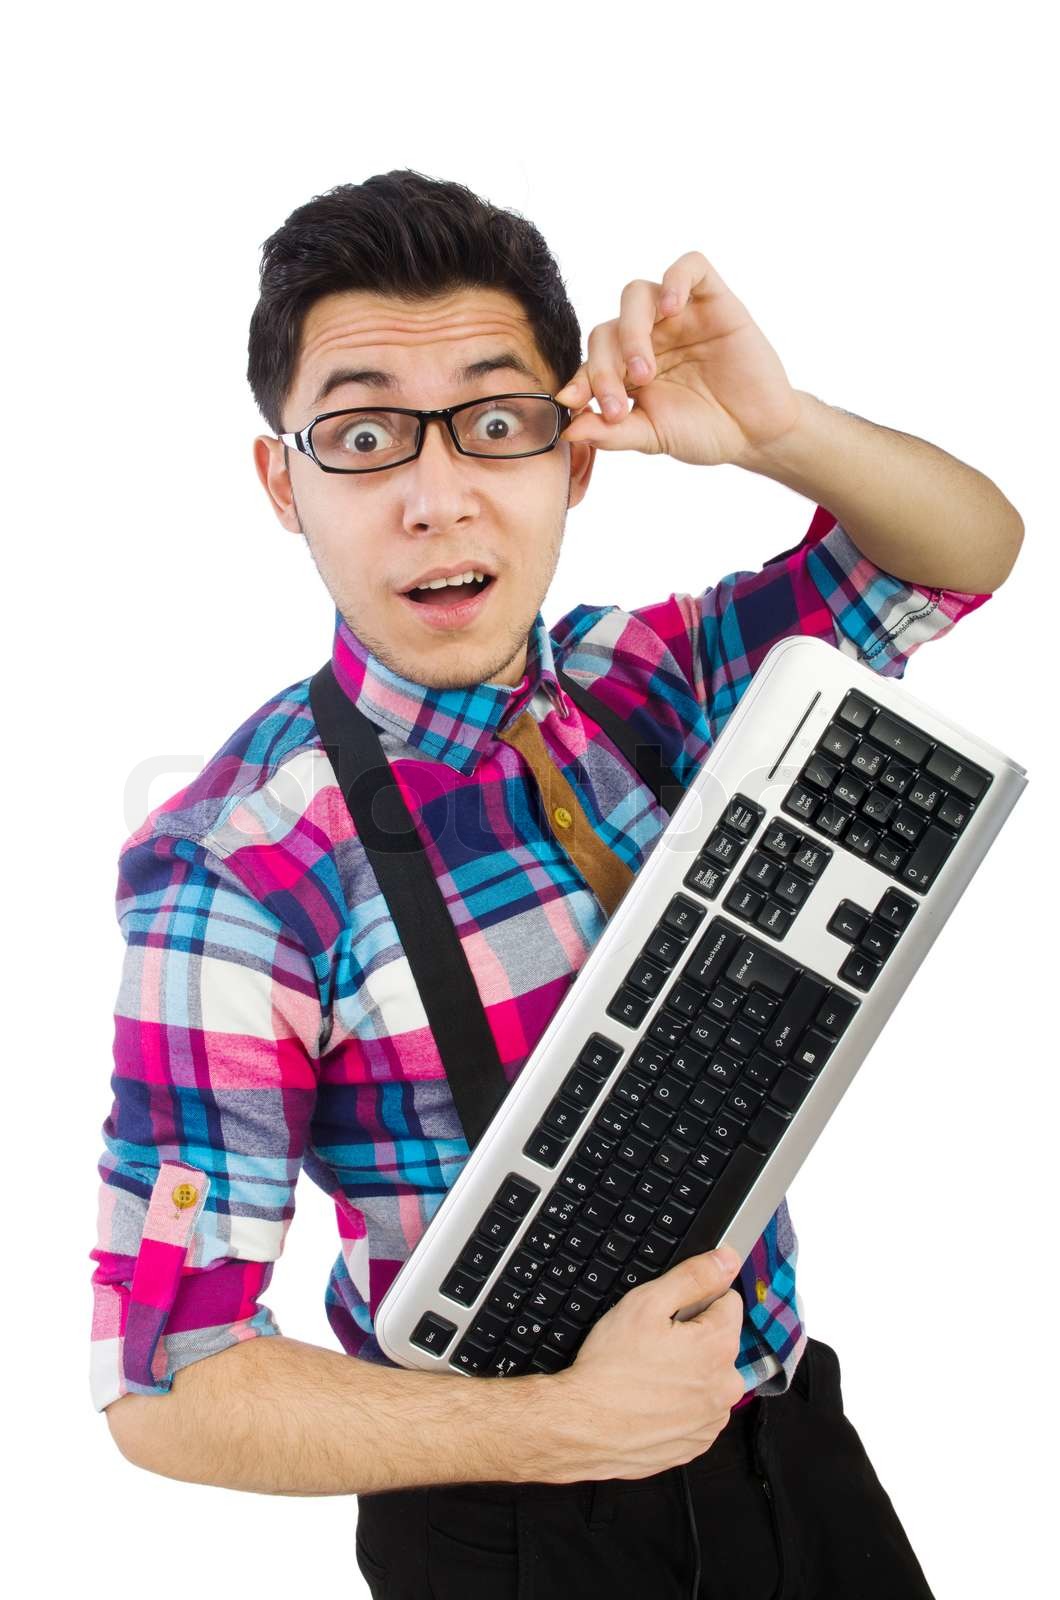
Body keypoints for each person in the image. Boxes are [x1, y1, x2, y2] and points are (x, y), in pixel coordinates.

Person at [89, 170, 1023, 1598]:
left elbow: (963, 554)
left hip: (790, 1445)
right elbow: (168, 1385)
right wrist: (561, 1427)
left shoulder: (656, 678)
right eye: (363, 438)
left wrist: (777, 429)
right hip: (511, 1526)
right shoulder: (239, 869)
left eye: (495, 422)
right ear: (284, 485)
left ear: (572, 455)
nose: (437, 499)